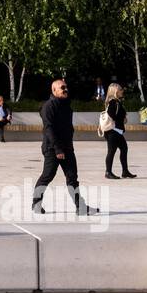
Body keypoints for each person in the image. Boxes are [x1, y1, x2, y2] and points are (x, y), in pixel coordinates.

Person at [34, 78, 98, 215]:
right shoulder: (49, 107)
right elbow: (49, 129)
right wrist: (57, 149)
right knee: (47, 176)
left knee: (72, 177)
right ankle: (36, 204)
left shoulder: (66, 104)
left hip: (67, 147)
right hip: (52, 148)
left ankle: (80, 207)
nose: (65, 89)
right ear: (54, 90)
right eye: (62, 88)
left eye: (66, 87)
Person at [102, 82, 136, 179]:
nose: (122, 91)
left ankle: (125, 171)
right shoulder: (113, 102)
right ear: (115, 91)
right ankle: (108, 172)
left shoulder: (117, 101)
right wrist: (122, 118)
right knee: (111, 151)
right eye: (120, 89)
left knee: (124, 149)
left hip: (117, 131)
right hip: (112, 131)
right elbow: (112, 115)